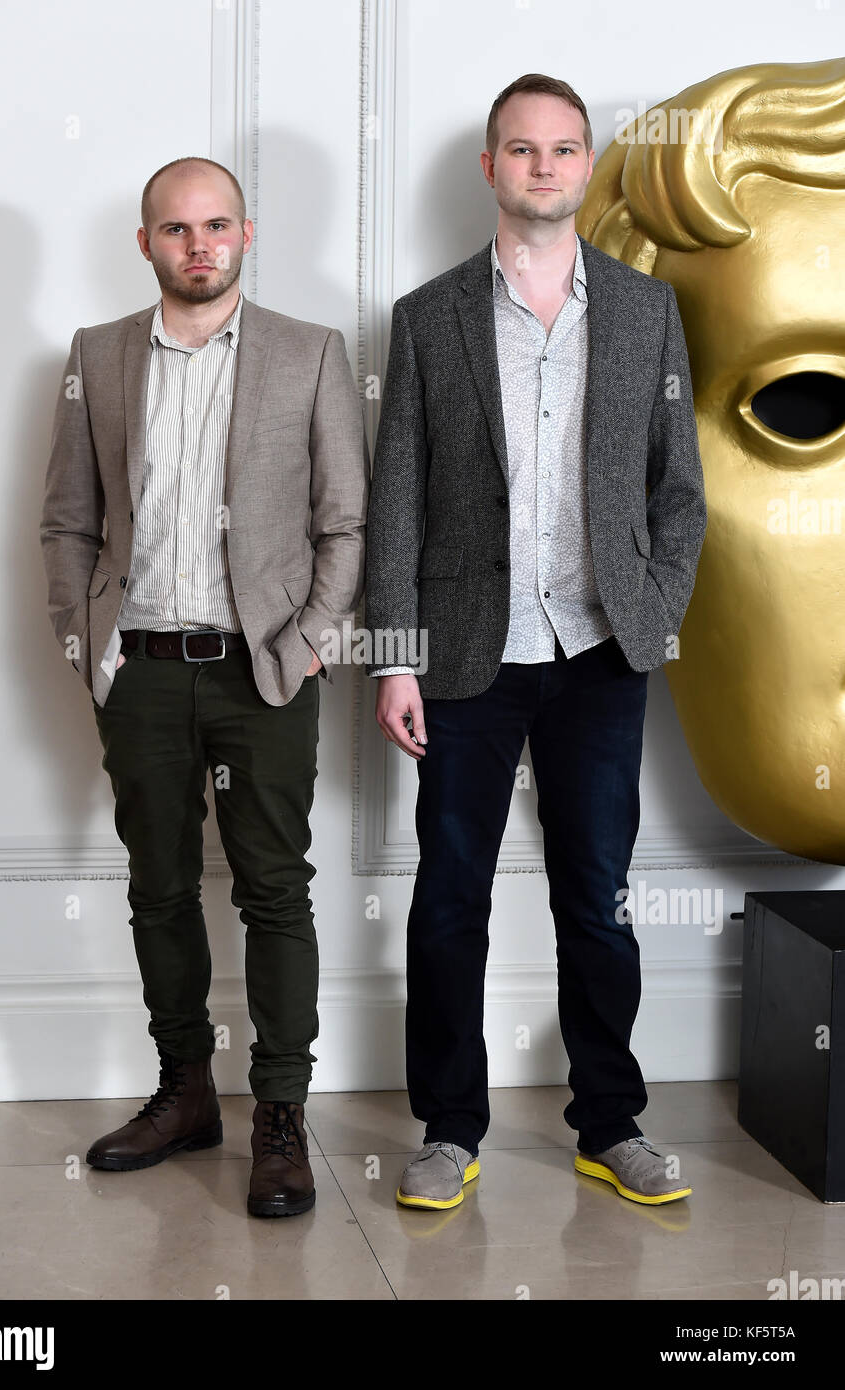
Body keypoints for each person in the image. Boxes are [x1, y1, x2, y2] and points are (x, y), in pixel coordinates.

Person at [365, 74, 706, 1210]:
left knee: (596, 895)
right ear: (492, 168)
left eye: (564, 149)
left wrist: (654, 606)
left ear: (589, 164)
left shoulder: (649, 313)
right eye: (523, 150)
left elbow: (678, 492)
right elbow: (398, 497)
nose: (545, 167)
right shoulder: (428, 318)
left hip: (603, 651)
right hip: (468, 649)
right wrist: (397, 656)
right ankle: (449, 1129)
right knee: (451, 894)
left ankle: (610, 1124)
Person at [41, 156, 368, 1217]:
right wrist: (84, 640)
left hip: (261, 668)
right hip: (140, 668)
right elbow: (68, 520)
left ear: (247, 232)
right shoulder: (97, 355)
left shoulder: (310, 353)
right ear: (146, 243)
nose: (199, 244)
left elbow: (345, 523)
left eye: (217, 224)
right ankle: (185, 1092)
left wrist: (313, 638)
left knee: (275, 888)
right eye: (176, 228)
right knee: (160, 885)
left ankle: (281, 1114)